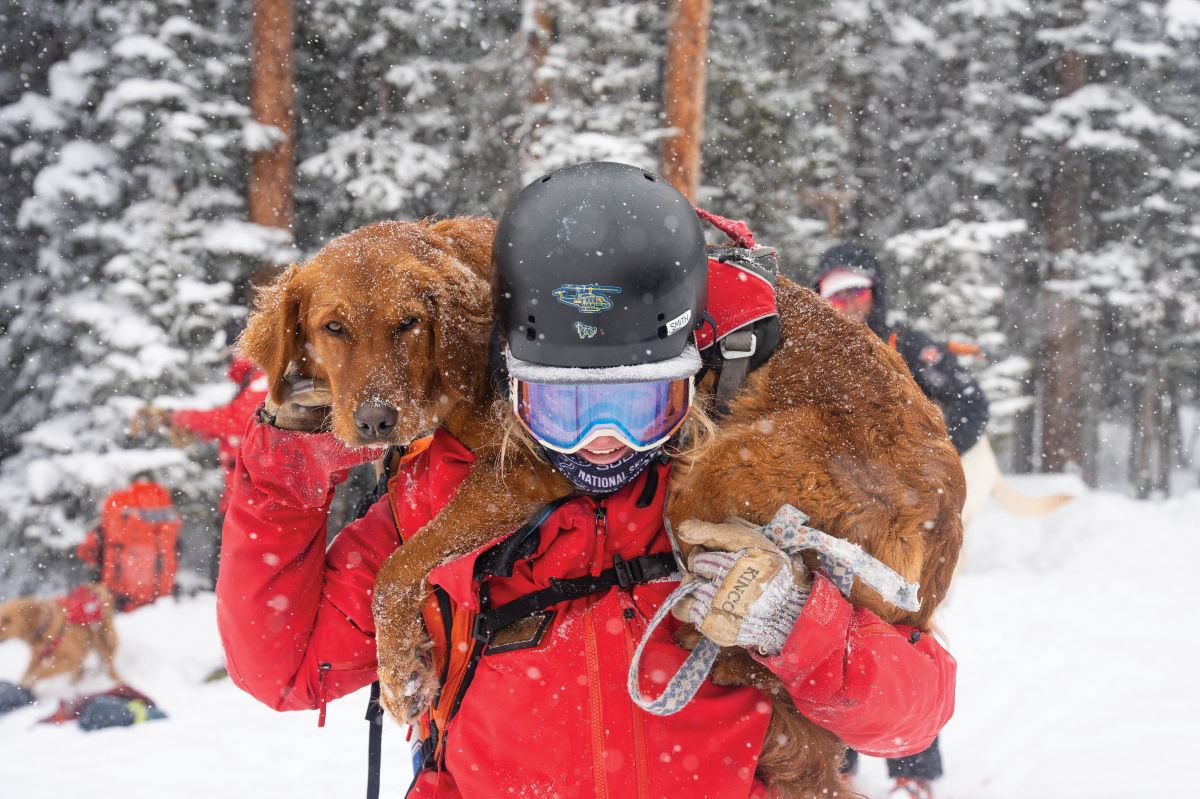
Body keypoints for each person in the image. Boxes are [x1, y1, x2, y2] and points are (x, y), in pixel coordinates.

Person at [216, 162, 955, 798]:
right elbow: (281, 666)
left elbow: (914, 714)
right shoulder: (439, 494)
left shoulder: (747, 498)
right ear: (510, 382)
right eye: (564, 403)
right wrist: (291, 455)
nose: (603, 442)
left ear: (690, 383)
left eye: (638, 402)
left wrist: (800, 626)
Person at [815, 242, 988, 799]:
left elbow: (970, 404)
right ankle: (834, 764)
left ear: (876, 292)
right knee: (828, 627)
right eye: (833, 291)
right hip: (836, 513)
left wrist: (926, 461)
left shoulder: (910, 348)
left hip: (904, 521)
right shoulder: (809, 352)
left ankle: (913, 771)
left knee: (899, 632)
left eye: (856, 290)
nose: (845, 303)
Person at [131, 342, 268, 585]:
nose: (228, 365)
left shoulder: (264, 375)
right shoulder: (254, 376)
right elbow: (236, 426)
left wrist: (178, 418)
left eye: (229, 354)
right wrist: (188, 428)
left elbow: (238, 421)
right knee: (228, 583)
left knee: (235, 585)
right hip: (242, 498)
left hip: (255, 502)